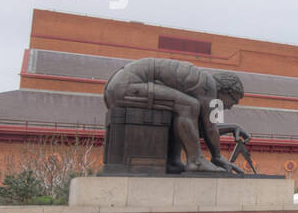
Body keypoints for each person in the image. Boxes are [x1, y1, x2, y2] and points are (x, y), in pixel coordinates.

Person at [102, 57, 250, 174]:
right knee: (189, 106)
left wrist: (233, 127)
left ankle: (173, 162)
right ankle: (196, 161)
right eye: (233, 101)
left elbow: (200, 127)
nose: (230, 107)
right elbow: (210, 128)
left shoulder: (202, 83)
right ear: (226, 90)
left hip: (117, 88)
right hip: (125, 87)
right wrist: (217, 157)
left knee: (183, 111)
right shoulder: (208, 85)